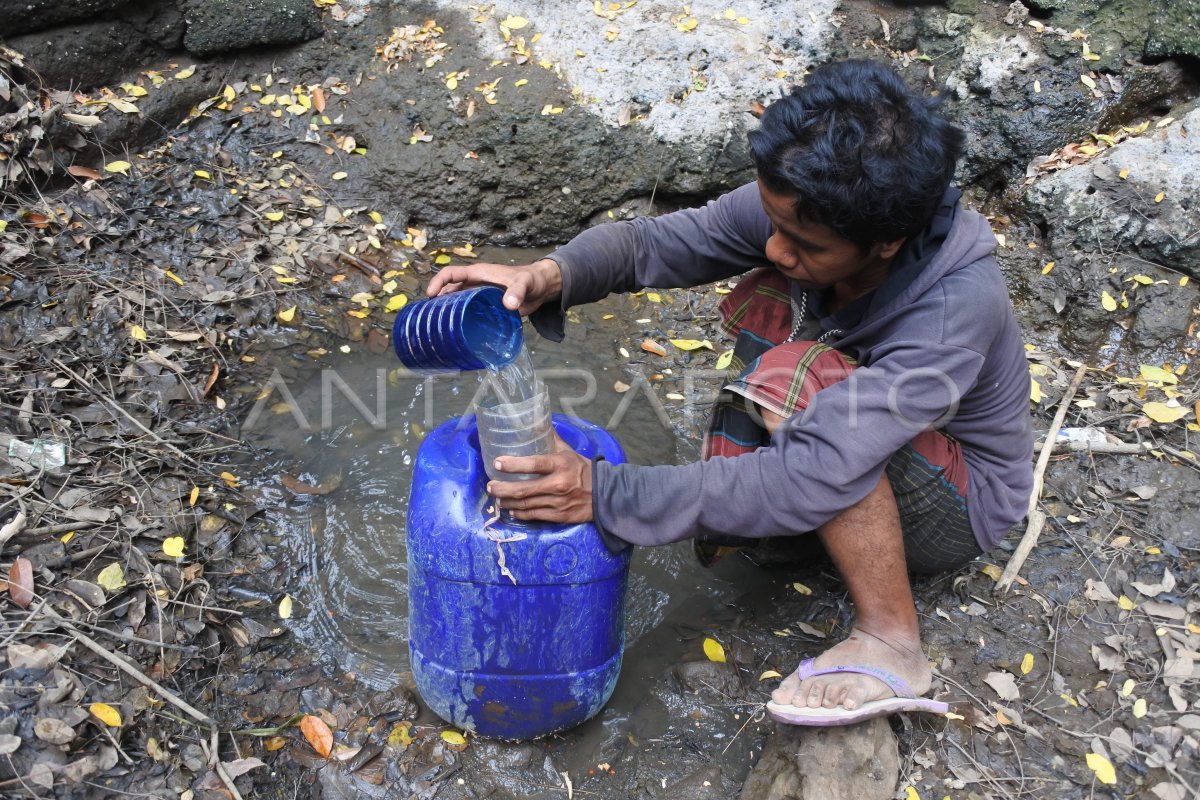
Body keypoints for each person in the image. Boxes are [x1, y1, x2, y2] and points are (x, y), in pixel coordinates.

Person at [426, 59, 1033, 726]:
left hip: (957, 502)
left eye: (803, 244)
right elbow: (652, 244)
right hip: (851, 449)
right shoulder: (807, 206)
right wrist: (551, 274)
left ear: (887, 242)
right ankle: (780, 529)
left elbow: (819, 467)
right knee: (788, 323)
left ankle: (892, 641)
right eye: (772, 223)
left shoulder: (953, 307)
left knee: (797, 381)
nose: (776, 247)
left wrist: (604, 493)